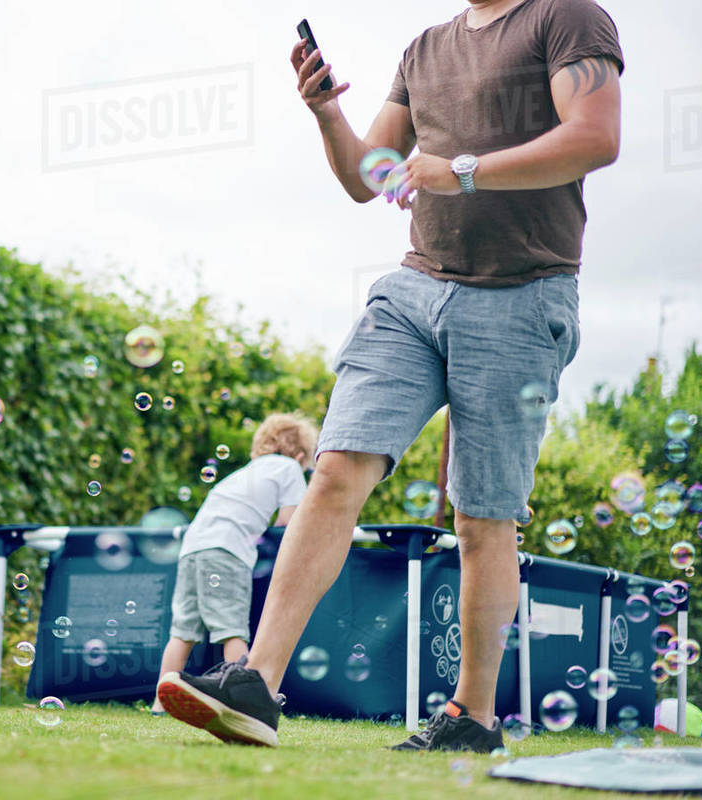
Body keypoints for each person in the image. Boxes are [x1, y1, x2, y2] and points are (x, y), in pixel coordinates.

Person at [157, 0, 622, 752]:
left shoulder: (567, 18)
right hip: (414, 288)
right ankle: (257, 686)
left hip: (523, 293)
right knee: (336, 467)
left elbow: (595, 137)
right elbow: (372, 177)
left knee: (480, 517)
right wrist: (326, 115)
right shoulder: (424, 49)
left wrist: (462, 171)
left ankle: (470, 717)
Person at [151, 413, 316, 721]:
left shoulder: (242, 473)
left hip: (192, 548)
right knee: (232, 629)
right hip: (226, 550)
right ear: (299, 454)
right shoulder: (291, 467)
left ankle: (160, 704)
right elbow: (288, 522)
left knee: (183, 631)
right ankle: (239, 701)